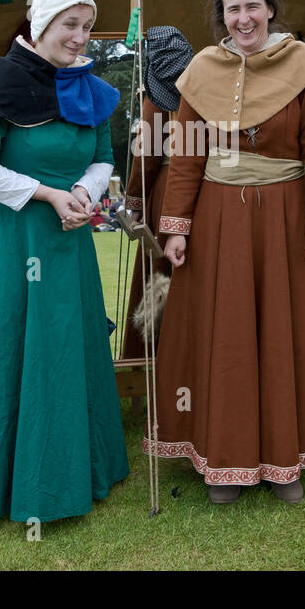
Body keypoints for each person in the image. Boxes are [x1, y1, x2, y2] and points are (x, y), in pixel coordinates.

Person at [144, 0, 305, 504]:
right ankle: (222, 460)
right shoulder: (201, 71)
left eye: (251, 7)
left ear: (270, 9)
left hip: (285, 217)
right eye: (232, 10)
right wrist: (176, 228)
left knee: (284, 331)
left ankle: (285, 461)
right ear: (222, 18)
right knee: (226, 335)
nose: (243, 18)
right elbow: (186, 155)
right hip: (217, 220)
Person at [0, 0, 129, 522]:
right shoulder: (2, 81)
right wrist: (45, 193)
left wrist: (80, 192)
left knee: (68, 346)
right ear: (42, 23)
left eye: (87, 27)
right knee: (13, 346)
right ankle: (7, 482)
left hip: (67, 238)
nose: (79, 38)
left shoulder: (89, 88)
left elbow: (102, 158)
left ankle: (75, 468)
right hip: (15, 237)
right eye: (70, 25)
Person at [121, 25, 194, 360]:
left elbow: (147, 153)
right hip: (201, 193)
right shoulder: (206, 83)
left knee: (160, 270)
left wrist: (134, 202)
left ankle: (151, 356)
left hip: (167, 191)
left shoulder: (159, 90)